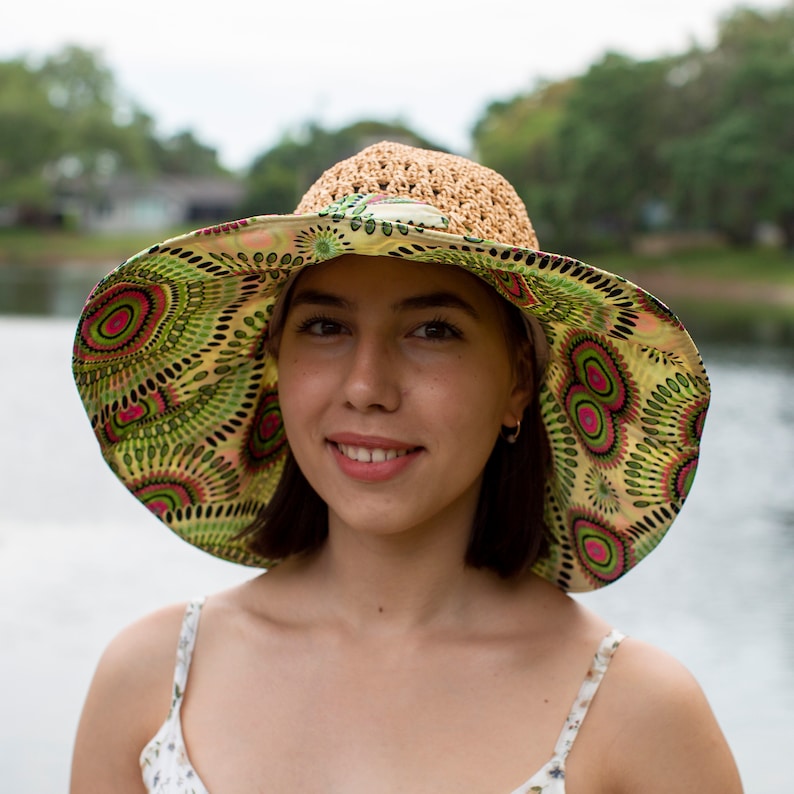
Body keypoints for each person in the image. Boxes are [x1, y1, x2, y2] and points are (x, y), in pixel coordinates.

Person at [69, 141, 742, 793]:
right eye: (326, 328)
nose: (367, 386)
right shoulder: (151, 683)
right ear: (275, 364)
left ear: (517, 382)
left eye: (433, 331)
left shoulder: (638, 715)